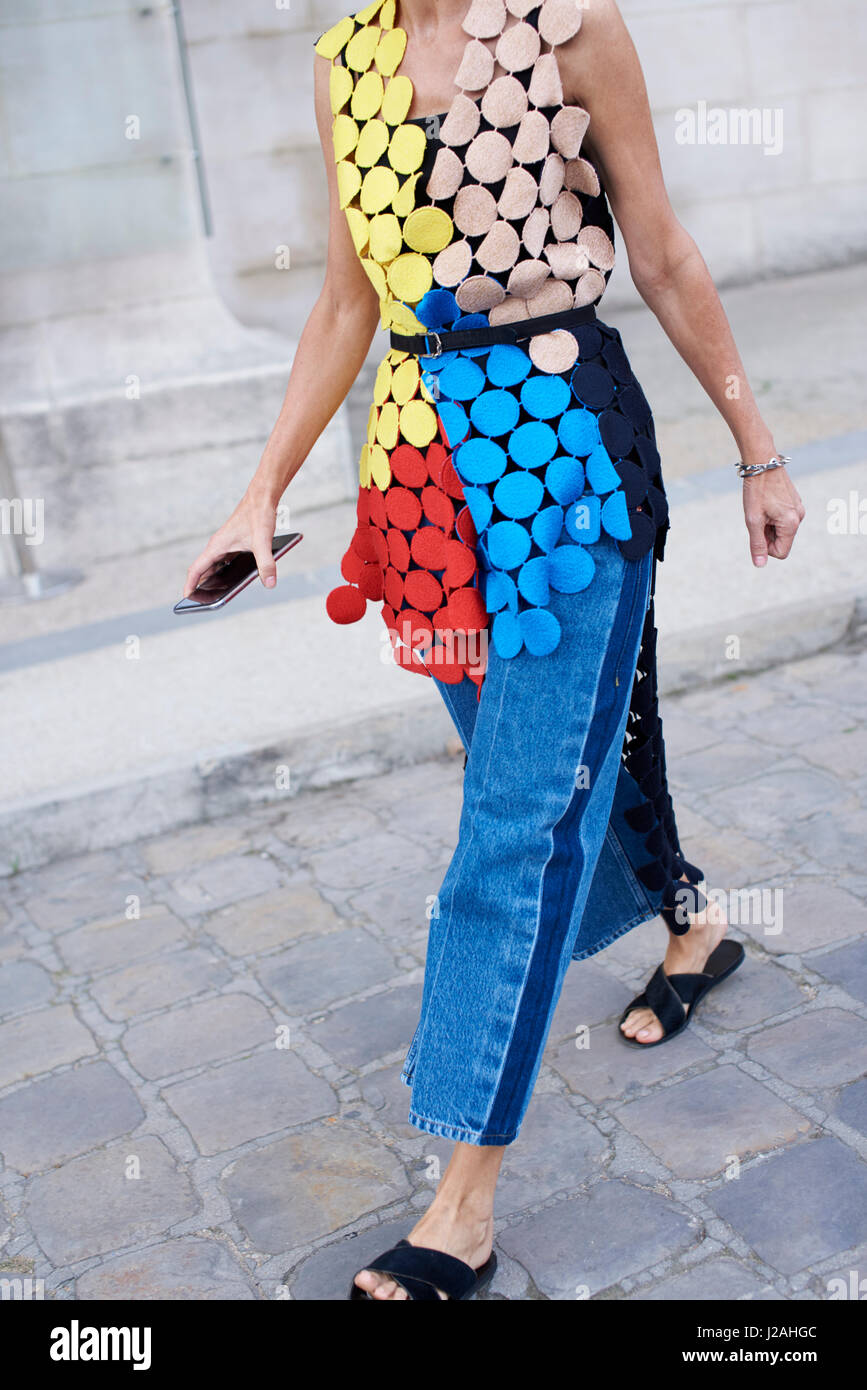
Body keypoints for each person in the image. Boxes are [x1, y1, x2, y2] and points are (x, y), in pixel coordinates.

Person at [184, 0, 805, 1301]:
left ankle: (460, 1210)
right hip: (418, 479)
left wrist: (760, 449)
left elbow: (668, 253)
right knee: (550, 769)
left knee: (515, 826)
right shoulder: (342, 63)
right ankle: (690, 924)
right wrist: (261, 492)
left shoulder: (573, 29)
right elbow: (350, 293)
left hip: (563, 461)